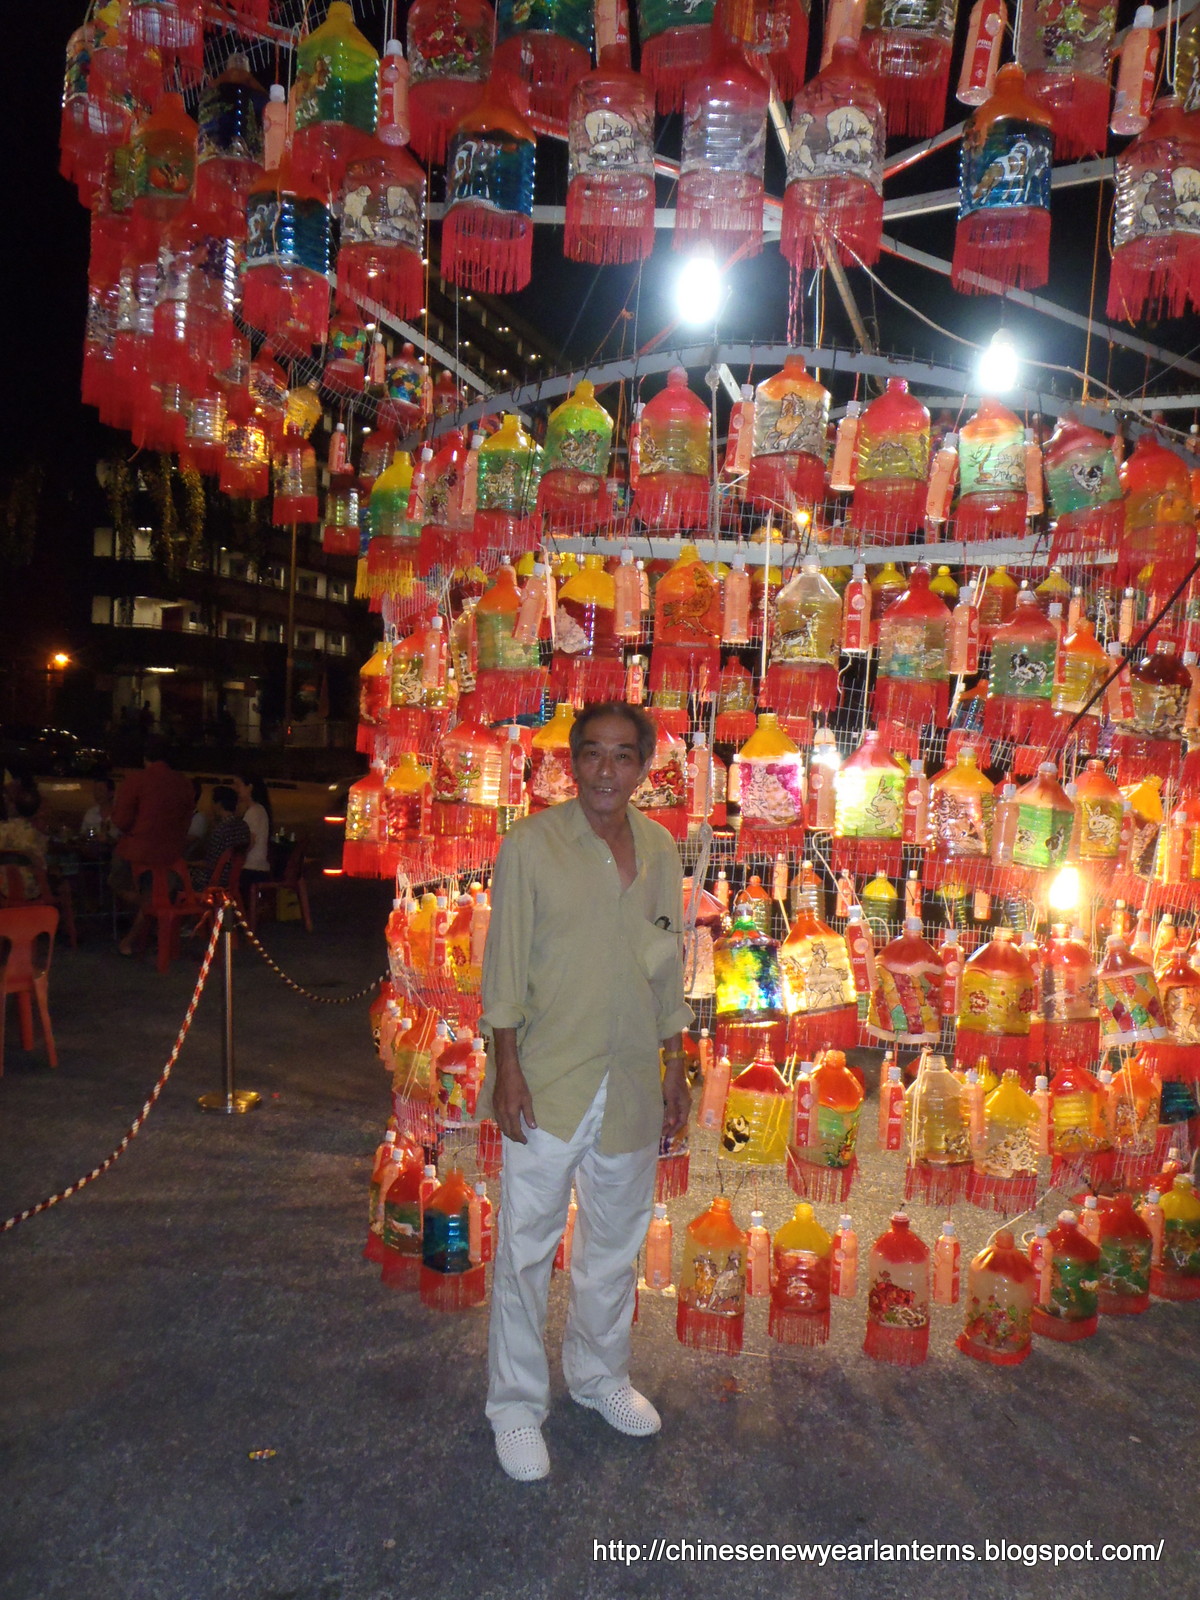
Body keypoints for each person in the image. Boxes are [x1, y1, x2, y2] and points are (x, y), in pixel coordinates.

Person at [479, 701, 692, 1484]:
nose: (607, 771)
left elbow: (666, 964)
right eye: (593, 755)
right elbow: (503, 967)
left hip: (633, 1075)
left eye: (623, 756)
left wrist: (676, 1064)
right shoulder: (532, 846)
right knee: (526, 1249)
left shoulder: (664, 850)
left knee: (614, 1246)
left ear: (645, 766)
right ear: (571, 763)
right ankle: (514, 1406)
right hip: (548, 1077)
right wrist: (507, 1066)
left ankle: (600, 1379)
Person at [110, 737, 195, 956]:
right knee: (158, 893)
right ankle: (148, 923)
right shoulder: (183, 783)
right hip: (172, 856)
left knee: (116, 881)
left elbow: (121, 820)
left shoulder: (137, 780)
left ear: (145, 757)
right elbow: (186, 821)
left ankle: (144, 920)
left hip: (138, 852)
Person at [189, 786, 249, 889]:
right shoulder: (244, 827)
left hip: (213, 880)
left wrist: (188, 863)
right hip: (233, 880)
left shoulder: (220, 829)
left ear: (219, 805)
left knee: (177, 878)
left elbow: (210, 863)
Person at [232, 774, 272, 889]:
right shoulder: (258, 810)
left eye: (238, 785)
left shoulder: (254, 812)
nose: (235, 789)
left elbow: (249, 842)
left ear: (249, 787)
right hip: (256, 869)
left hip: (251, 869)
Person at [81, 776, 120, 841]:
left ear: (111, 793)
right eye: (95, 790)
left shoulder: (121, 813)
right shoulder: (91, 813)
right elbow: (83, 834)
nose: (97, 794)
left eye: (100, 790)